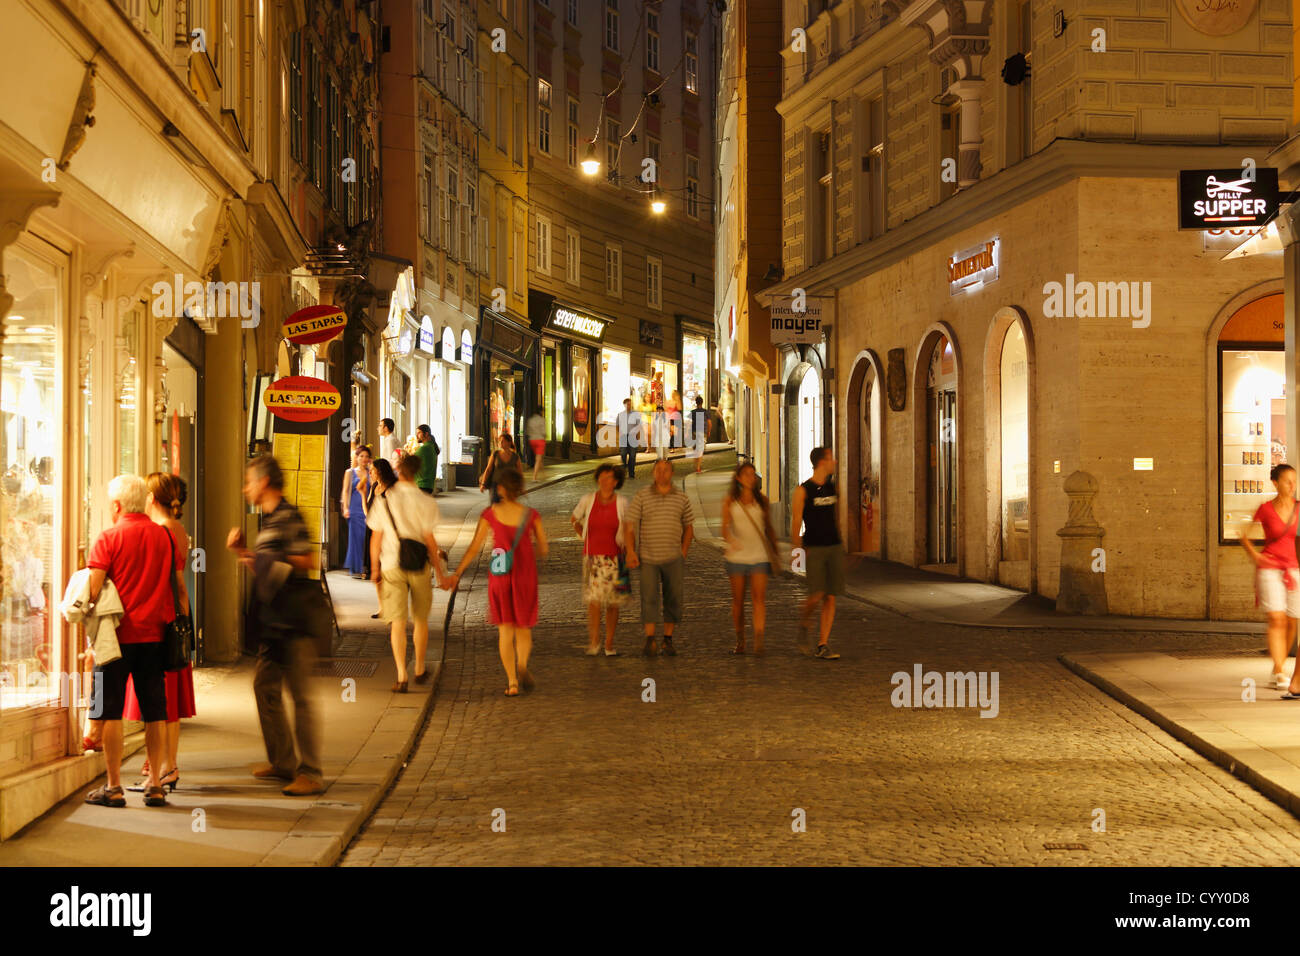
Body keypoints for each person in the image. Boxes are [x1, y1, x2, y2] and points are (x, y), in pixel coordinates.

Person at [82, 474, 183, 809]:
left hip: (115, 639)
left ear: (116, 505)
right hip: (155, 636)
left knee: (110, 710)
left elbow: (93, 591)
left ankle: (113, 787)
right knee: (155, 711)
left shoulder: (108, 538)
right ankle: (155, 783)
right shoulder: (165, 538)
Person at [226, 455, 325, 796]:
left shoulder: (289, 516)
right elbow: (267, 571)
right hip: (273, 622)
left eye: (249, 481)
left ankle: (310, 772)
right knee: (264, 688)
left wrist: (270, 560)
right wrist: (243, 552)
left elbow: (307, 560)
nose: (245, 488)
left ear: (264, 482)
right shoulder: (268, 521)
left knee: (300, 696)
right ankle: (283, 761)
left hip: (293, 622)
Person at [444, 468, 548, 696]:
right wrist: (528, 553)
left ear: (500, 489)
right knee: (523, 629)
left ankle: (512, 682)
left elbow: (473, 548)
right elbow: (543, 548)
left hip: (500, 577)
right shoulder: (532, 515)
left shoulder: (490, 514)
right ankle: (522, 665)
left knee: (505, 631)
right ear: (520, 489)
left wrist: (456, 573)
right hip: (525, 578)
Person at [124, 473, 196, 792]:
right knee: (171, 703)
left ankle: (163, 766)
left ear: (151, 499)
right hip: (174, 620)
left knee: (160, 702)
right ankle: (165, 765)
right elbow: (181, 587)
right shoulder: (177, 529)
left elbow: (172, 583)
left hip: (159, 621)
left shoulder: (160, 531)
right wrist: (187, 626)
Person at [369, 454, 446, 692]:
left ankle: (401, 674)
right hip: (419, 566)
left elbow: (376, 539)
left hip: (392, 565)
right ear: (418, 473)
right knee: (421, 620)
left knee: (398, 623)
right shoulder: (426, 501)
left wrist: (374, 569)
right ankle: (420, 668)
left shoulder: (384, 499)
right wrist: (441, 573)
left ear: (399, 470)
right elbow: (430, 541)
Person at [625, 458, 696, 656]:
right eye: (658, 470)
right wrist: (631, 550)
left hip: (673, 557)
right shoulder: (642, 496)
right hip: (648, 557)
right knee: (649, 597)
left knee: (673, 598)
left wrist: (683, 551)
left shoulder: (681, 498)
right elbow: (630, 524)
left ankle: (667, 638)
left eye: (665, 470)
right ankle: (649, 639)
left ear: (671, 473)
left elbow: (689, 526)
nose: (662, 473)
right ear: (653, 473)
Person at [1241, 463, 1299, 693]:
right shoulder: (1265, 509)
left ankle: (1280, 665)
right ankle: (1279, 670)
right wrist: (1255, 556)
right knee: (1277, 619)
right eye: (1287, 481)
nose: (1292, 485)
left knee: (1293, 620)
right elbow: (1245, 536)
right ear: (1275, 483)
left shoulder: (1298, 508)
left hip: (1293, 569)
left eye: (1294, 480)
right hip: (1270, 568)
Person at [571, 464, 630, 657]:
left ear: (616, 482)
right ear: (598, 479)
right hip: (592, 558)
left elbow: (629, 529)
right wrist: (583, 536)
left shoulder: (622, 502)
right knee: (594, 602)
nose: (606, 482)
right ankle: (594, 641)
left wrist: (631, 552)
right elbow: (574, 518)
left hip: (616, 557)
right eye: (602, 478)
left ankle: (609, 643)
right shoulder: (588, 500)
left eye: (610, 478)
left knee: (613, 603)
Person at [790, 446, 842, 660]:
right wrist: (797, 553)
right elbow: (796, 523)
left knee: (830, 596)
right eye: (831, 458)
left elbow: (837, 517)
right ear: (822, 462)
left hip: (834, 546)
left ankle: (823, 644)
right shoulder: (803, 490)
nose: (834, 462)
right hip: (814, 548)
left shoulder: (832, 488)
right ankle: (804, 623)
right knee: (816, 595)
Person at [722, 462, 779, 655]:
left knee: (759, 598)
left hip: (759, 555)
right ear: (738, 478)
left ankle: (759, 639)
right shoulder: (730, 501)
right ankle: (740, 638)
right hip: (736, 557)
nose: (750, 477)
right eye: (746, 474)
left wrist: (775, 549)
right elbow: (724, 527)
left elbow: (768, 527)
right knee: (738, 600)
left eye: (753, 474)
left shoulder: (762, 500)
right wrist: (731, 539)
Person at [368, 458, 399, 620]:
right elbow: (369, 510)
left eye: (372, 470)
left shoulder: (394, 488)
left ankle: (392, 606)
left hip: (390, 537)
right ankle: (382, 607)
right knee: (377, 574)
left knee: (389, 573)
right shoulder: (374, 487)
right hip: (375, 531)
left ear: (380, 471)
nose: (370, 473)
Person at [342, 445, 373, 578]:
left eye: (366, 456)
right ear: (357, 457)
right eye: (361, 456)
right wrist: (345, 508)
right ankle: (356, 567)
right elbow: (345, 491)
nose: (364, 459)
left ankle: (364, 566)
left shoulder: (371, 472)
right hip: (353, 509)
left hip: (366, 508)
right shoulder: (350, 472)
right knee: (355, 538)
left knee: (365, 538)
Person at [479, 433, 522, 504]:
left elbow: (519, 473)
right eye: (499, 441)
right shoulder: (495, 454)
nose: (500, 443)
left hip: (509, 486)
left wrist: (520, 487)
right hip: (495, 484)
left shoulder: (515, 457)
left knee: (507, 508)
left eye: (502, 441)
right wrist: (483, 483)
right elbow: (488, 469)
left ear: (509, 442)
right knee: (495, 506)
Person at [617, 398, 644, 479]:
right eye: (628, 404)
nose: (629, 406)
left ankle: (631, 473)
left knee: (632, 455)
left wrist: (638, 435)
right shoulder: (620, 415)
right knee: (623, 454)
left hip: (632, 436)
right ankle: (624, 469)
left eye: (630, 404)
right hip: (624, 436)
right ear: (624, 405)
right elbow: (617, 426)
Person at [414, 425, 440, 496]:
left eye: (419, 433)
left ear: (426, 434)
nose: (417, 435)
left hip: (421, 484)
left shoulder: (424, 449)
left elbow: (409, 462)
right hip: (428, 485)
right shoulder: (432, 447)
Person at [690, 396, 709, 473]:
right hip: (702, 432)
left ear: (696, 402)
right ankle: (698, 467)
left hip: (694, 432)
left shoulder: (693, 412)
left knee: (696, 450)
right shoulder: (705, 412)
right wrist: (708, 432)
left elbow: (690, 423)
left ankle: (696, 466)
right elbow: (709, 423)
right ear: (702, 402)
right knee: (700, 450)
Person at [526, 410, 546, 481]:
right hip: (540, 440)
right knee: (538, 459)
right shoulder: (542, 420)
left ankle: (544, 475)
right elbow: (544, 432)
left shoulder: (530, 420)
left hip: (532, 440)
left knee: (538, 458)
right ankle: (534, 477)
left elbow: (528, 431)